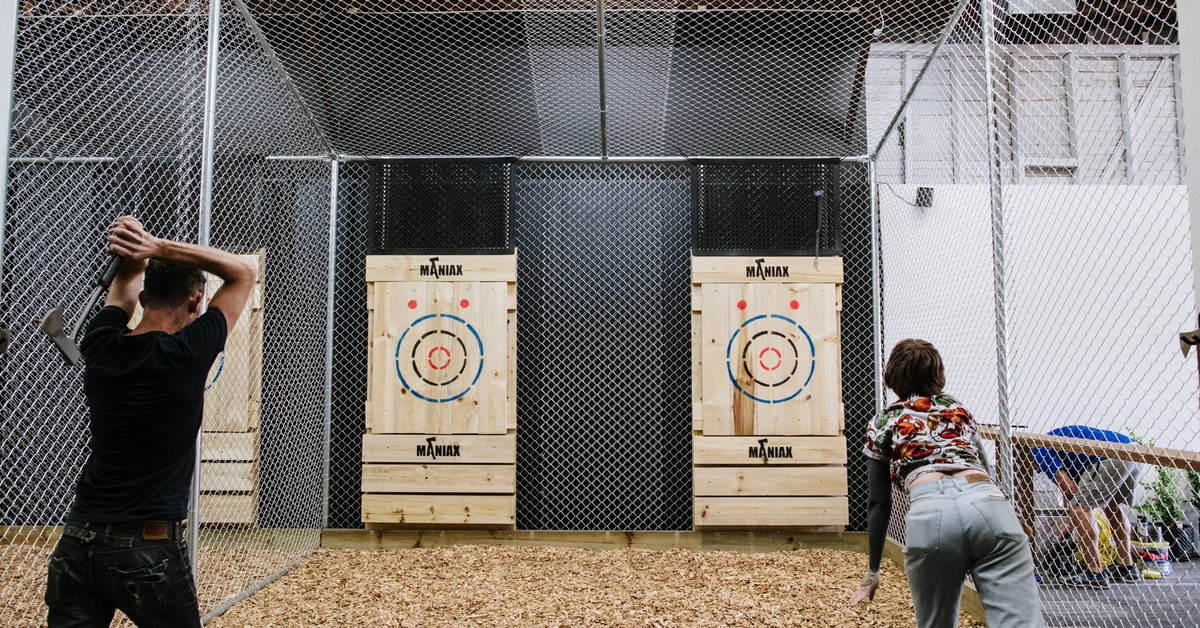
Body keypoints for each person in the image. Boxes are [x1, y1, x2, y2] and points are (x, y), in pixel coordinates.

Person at [45, 216, 257, 627]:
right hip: (146, 546)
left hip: (78, 537)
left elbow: (123, 289)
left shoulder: (101, 343)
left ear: (144, 299)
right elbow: (243, 272)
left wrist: (133, 248)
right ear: (197, 303)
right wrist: (152, 244)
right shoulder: (187, 353)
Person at [848, 339, 1043, 628]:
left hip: (931, 511)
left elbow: (879, 502)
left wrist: (874, 569)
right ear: (938, 374)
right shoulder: (957, 409)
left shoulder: (884, 420)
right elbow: (984, 468)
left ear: (892, 377)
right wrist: (1012, 513)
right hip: (987, 503)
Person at [1031, 425, 1146, 589]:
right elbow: (1075, 489)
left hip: (1108, 456)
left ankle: (1094, 572)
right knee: (1111, 505)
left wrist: (1070, 522)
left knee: (1079, 509)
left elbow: (1070, 489)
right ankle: (1126, 567)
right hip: (1133, 453)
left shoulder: (1039, 449)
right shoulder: (1058, 445)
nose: (1036, 471)